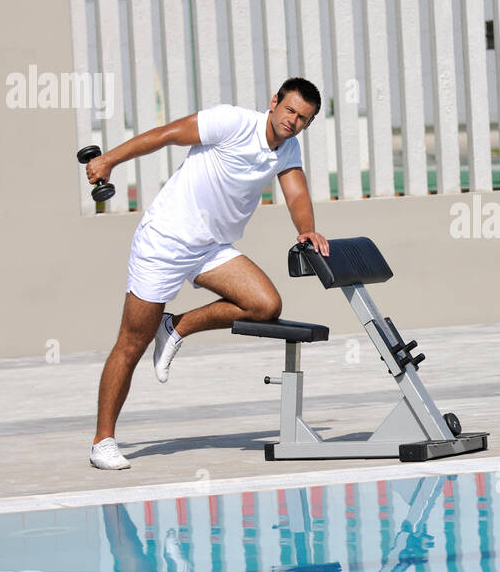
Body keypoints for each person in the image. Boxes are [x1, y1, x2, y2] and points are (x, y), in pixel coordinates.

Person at [82, 78, 330, 470]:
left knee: (265, 305)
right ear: (274, 103)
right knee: (132, 341)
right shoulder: (231, 122)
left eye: (303, 119)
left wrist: (307, 229)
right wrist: (109, 159)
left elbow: (297, 193)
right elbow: (166, 134)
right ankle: (103, 441)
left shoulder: (288, 148)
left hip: (212, 248)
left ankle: (176, 328)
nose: (293, 122)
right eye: (289, 111)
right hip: (165, 240)